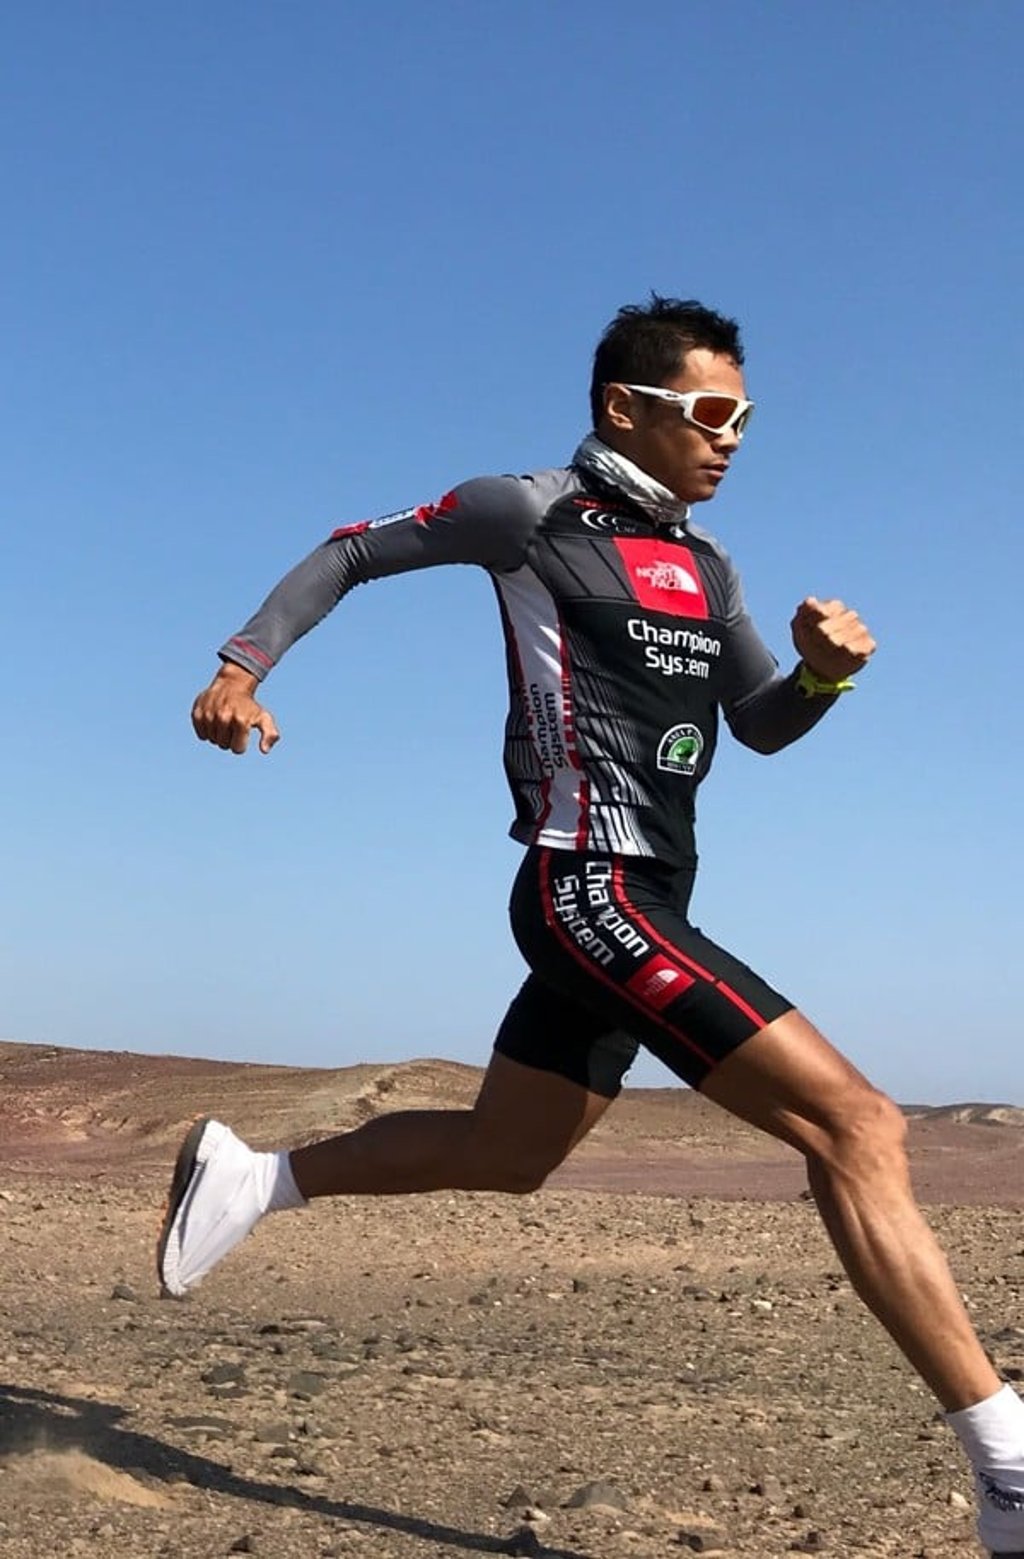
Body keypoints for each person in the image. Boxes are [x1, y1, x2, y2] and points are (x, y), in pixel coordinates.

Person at [158, 297, 1024, 1556]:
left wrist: (826, 673)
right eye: (710, 413)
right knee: (859, 1123)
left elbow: (762, 724)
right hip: (586, 884)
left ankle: (257, 1174)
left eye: (745, 418)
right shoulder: (530, 511)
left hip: (652, 893)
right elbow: (351, 548)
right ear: (628, 407)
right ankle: (1006, 1462)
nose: (731, 439)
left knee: (510, 1152)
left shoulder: (707, 564)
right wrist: (242, 667)